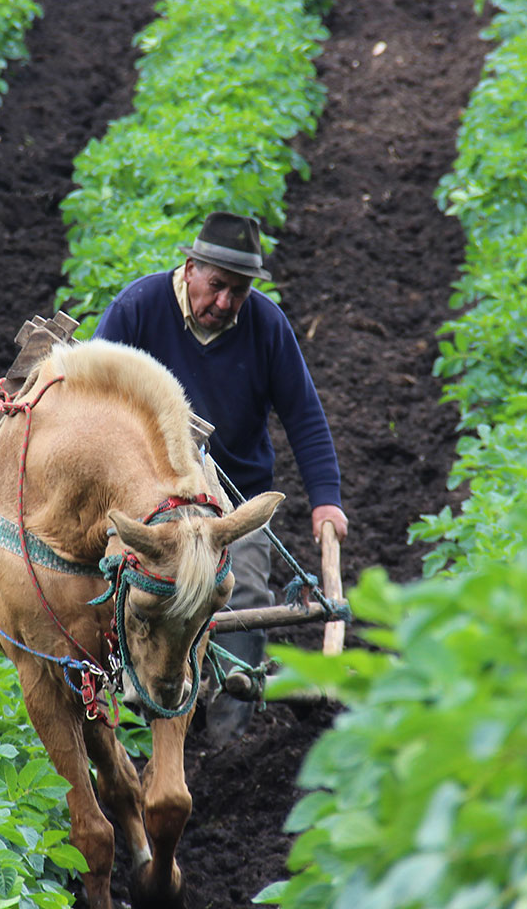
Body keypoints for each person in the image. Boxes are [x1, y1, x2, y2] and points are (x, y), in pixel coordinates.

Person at [93, 211, 349, 745]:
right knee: (136, 596)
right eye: (217, 286)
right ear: (189, 269)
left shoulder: (266, 326)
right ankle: (143, 708)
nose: (227, 302)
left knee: (246, 598)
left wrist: (326, 499)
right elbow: (91, 397)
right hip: (150, 501)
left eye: (239, 290)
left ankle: (227, 738)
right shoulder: (138, 310)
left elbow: (303, 414)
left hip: (233, 500)